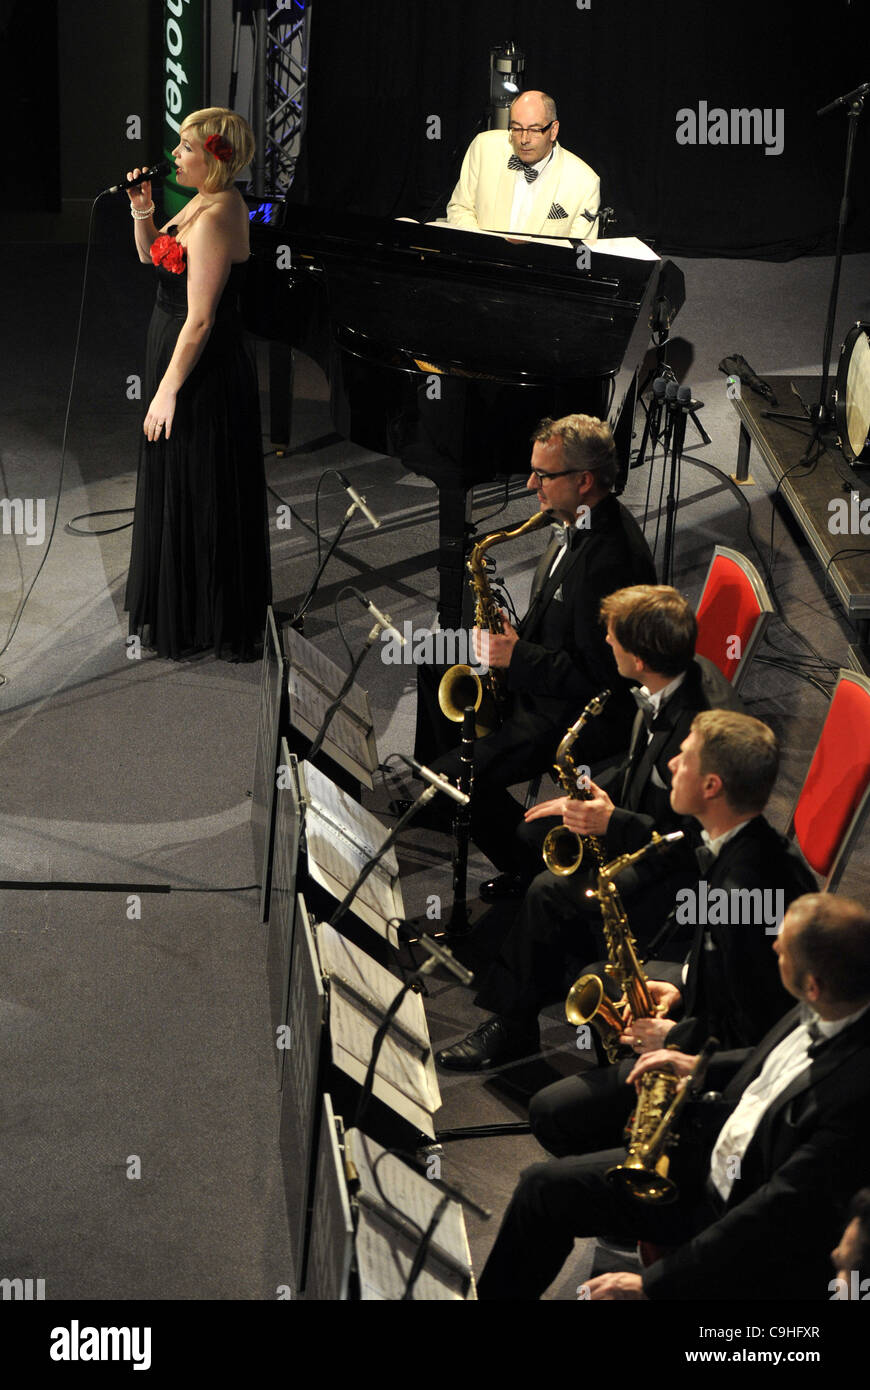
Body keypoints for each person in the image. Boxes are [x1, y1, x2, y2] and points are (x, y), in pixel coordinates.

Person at [476, 893, 870, 1301]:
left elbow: (769, 1216)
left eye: (783, 949)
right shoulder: (834, 1001)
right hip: (715, 1154)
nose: (772, 947)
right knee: (540, 1187)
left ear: (813, 985)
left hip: (732, 1209)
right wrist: (695, 1065)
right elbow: (768, 1057)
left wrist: (652, 1284)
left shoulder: (852, 1098)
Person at [435, 590, 743, 1072]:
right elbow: (638, 766)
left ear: (637, 657)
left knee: (548, 891)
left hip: (683, 882)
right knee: (533, 836)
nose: (603, 642)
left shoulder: (700, 732)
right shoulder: (668, 679)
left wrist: (611, 822)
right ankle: (545, 964)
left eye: (611, 638)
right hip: (646, 831)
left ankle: (514, 1025)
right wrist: (586, 793)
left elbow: (703, 842)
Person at [529, 709, 817, 1158]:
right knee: (600, 976)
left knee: (549, 1113)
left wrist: (674, 1039)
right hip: (712, 1020)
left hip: (732, 1079)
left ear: (711, 787)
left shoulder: (744, 892)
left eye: (684, 759)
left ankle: (645, 1177)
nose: (671, 765)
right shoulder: (742, 845)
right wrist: (679, 985)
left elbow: (760, 1031)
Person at [416, 416, 656, 876]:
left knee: (449, 778)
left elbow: (603, 677)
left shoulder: (611, 560)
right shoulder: (569, 519)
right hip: (540, 676)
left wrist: (516, 656)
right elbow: (564, 622)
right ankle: (455, 808)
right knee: (433, 657)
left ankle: (527, 869)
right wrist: (518, 635)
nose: (531, 485)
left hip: (569, 715)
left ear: (584, 481)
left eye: (543, 475)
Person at [125, 107, 271, 660]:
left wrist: (167, 391)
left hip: (201, 373)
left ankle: (207, 616)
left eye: (186, 148)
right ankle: (185, 608)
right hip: (178, 356)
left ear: (213, 158)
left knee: (201, 480)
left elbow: (203, 319)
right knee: (180, 478)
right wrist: (143, 212)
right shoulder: (199, 202)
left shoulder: (216, 215)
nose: (175, 156)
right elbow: (151, 256)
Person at [447, 91, 600, 241]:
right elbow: (460, 208)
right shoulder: (484, 147)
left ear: (553, 130)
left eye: (534, 130)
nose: (524, 139)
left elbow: (577, 251)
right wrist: (485, 248)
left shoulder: (585, 182)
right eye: (517, 128)